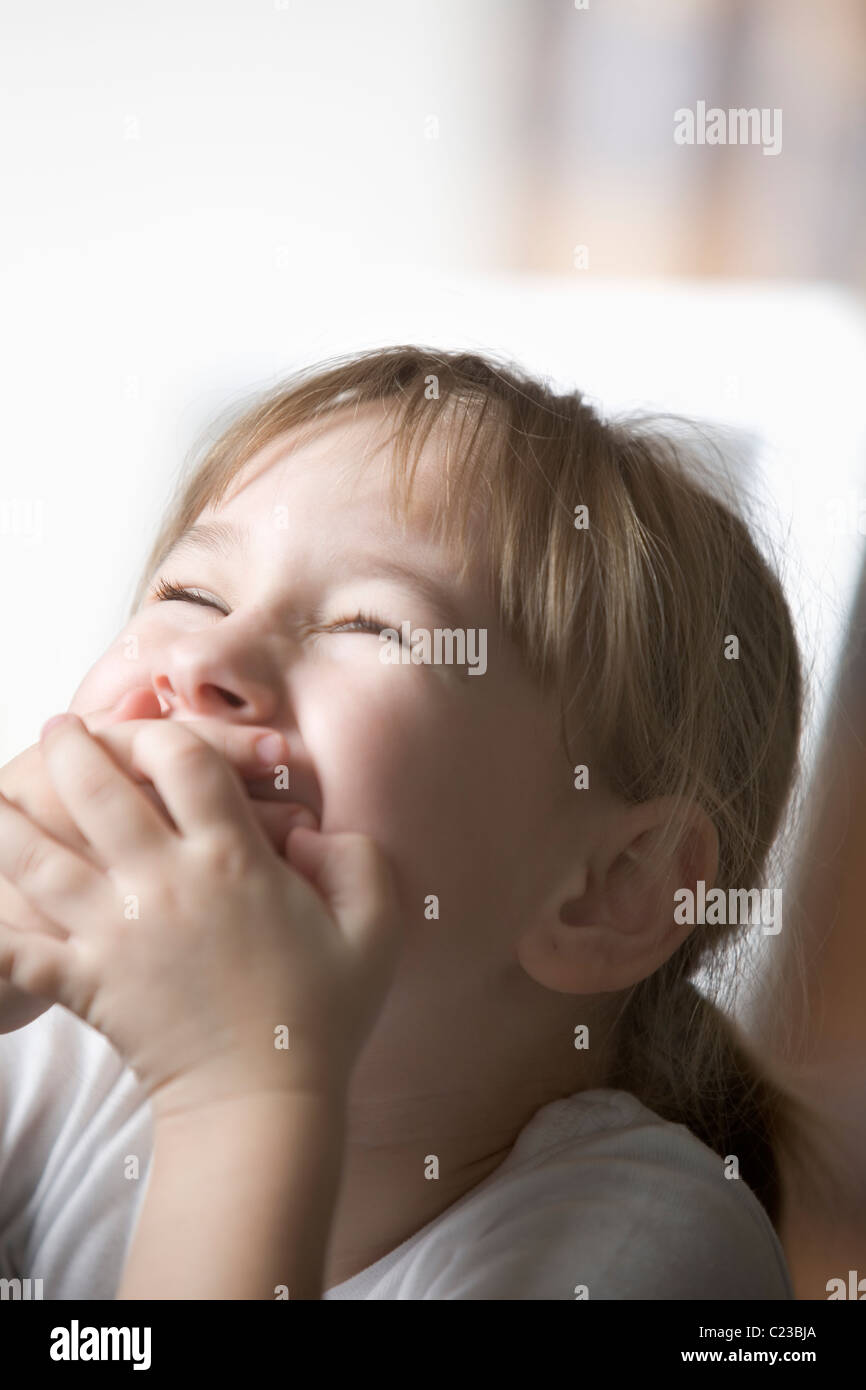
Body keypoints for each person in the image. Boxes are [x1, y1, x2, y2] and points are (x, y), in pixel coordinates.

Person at [0, 346, 825, 1298]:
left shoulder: (649, 1249)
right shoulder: (68, 1046)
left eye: (370, 628)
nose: (205, 659)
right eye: (193, 595)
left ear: (616, 889)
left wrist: (240, 1099)